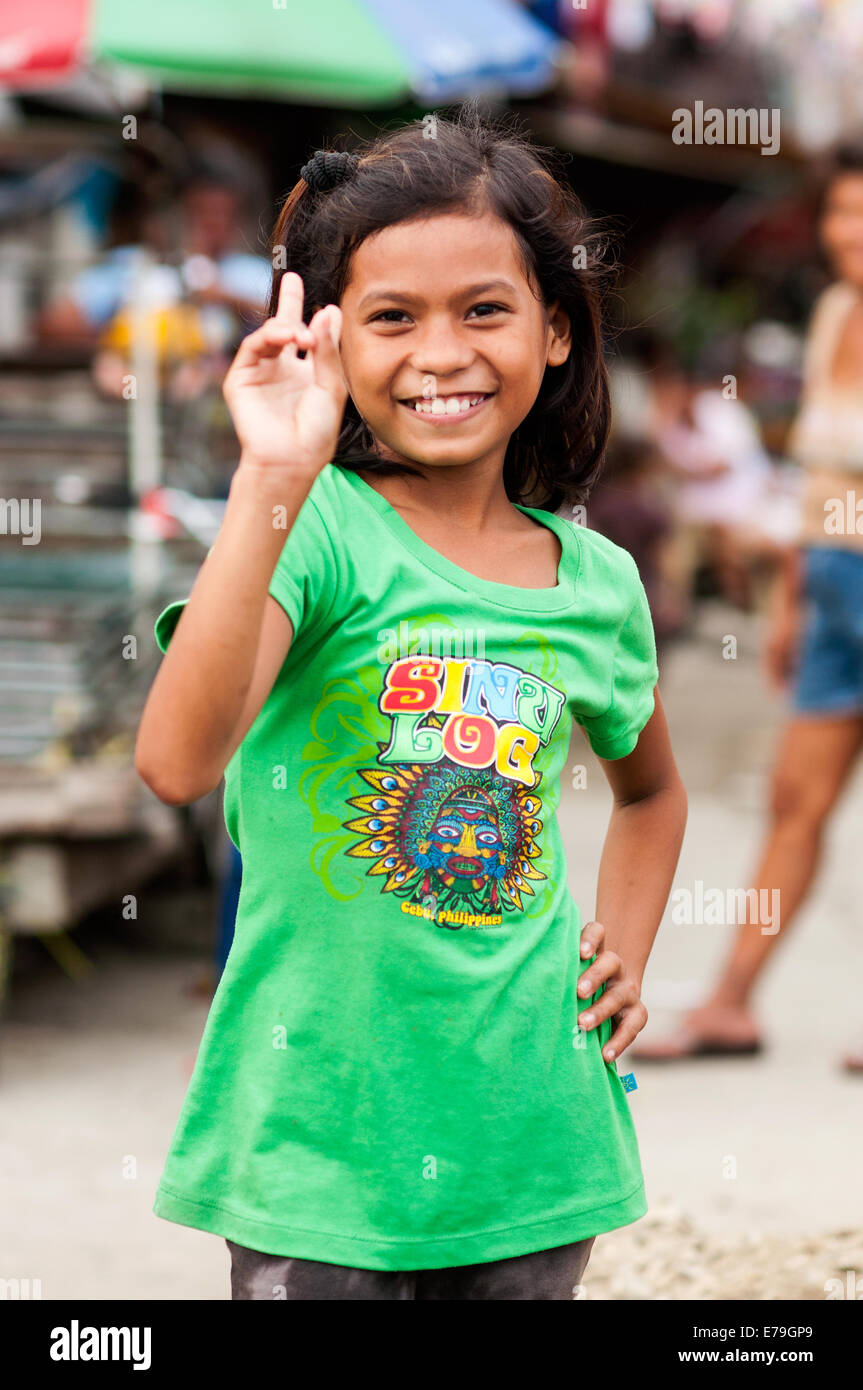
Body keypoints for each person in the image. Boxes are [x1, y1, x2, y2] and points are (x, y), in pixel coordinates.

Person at [135, 110, 686, 1301]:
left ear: (552, 330)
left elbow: (651, 793)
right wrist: (272, 480)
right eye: (392, 317)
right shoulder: (315, 531)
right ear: (329, 344)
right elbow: (176, 759)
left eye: (483, 308)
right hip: (320, 1154)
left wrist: (622, 956)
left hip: (534, 1145)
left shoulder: (594, 582)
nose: (441, 352)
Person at [633, 141, 863, 1072]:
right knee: (792, 799)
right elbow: (818, 476)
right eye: (841, 212)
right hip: (831, 587)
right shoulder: (836, 312)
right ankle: (729, 1003)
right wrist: (791, 606)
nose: (851, 232)